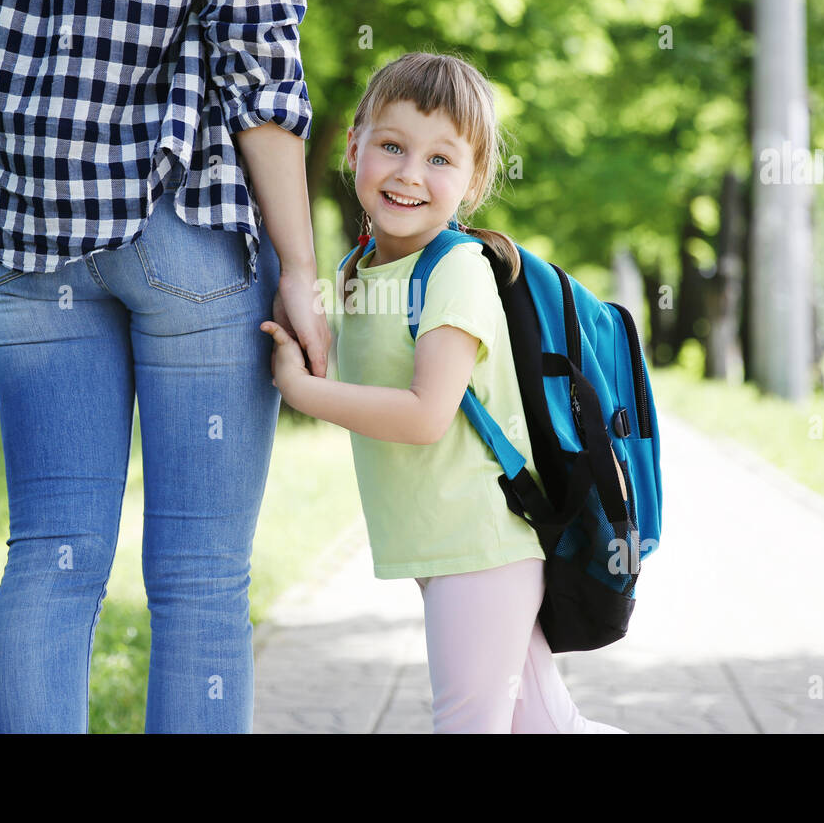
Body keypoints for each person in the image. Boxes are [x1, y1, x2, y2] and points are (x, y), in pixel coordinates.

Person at [0, 0, 329, 733]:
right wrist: (300, 264)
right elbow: (254, 27)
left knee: (50, 558)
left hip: (30, 233)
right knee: (203, 579)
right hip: (189, 214)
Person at [261, 51, 627, 733]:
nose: (408, 174)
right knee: (547, 727)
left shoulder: (455, 269)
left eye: (440, 159)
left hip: (482, 545)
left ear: (475, 178)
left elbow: (426, 415)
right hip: (446, 543)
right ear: (354, 146)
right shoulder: (357, 269)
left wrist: (301, 391)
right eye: (392, 146)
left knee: (469, 722)